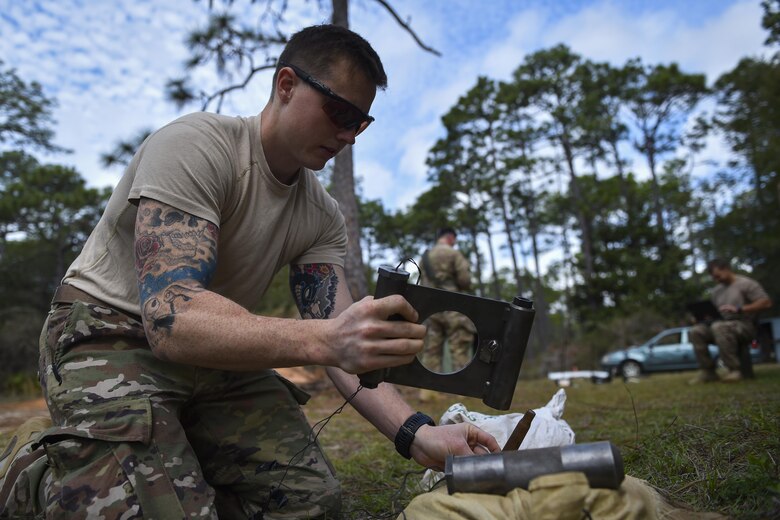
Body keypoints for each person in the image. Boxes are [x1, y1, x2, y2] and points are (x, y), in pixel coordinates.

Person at [0, 25, 499, 519]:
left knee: (309, 503)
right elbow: (170, 318)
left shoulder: (322, 216)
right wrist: (326, 340)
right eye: (340, 112)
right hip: (108, 332)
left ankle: (168, 465)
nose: (348, 136)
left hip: (217, 352)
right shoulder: (196, 146)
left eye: (361, 123)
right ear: (286, 85)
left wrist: (416, 433)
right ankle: (31, 475)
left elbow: (343, 339)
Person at [689, 258, 772, 384]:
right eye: (714, 278)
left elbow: (766, 303)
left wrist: (740, 309)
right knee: (696, 331)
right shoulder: (717, 291)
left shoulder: (746, 284)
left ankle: (734, 370)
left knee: (719, 327)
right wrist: (701, 318)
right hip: (720, 324)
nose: (717, 280)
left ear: (726, 269)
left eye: (718, 276)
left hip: (745, 326)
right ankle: (708, 372)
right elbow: (714, 312)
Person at [419, 227, 476, 376]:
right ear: (450, 237)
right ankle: (461, 385)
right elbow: (465, 281)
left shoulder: (425, 257)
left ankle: (428, 386)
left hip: (432, 310)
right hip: (454, 309)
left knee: (431, 351)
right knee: (459, 349)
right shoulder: (454, 254)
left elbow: (422, 283)